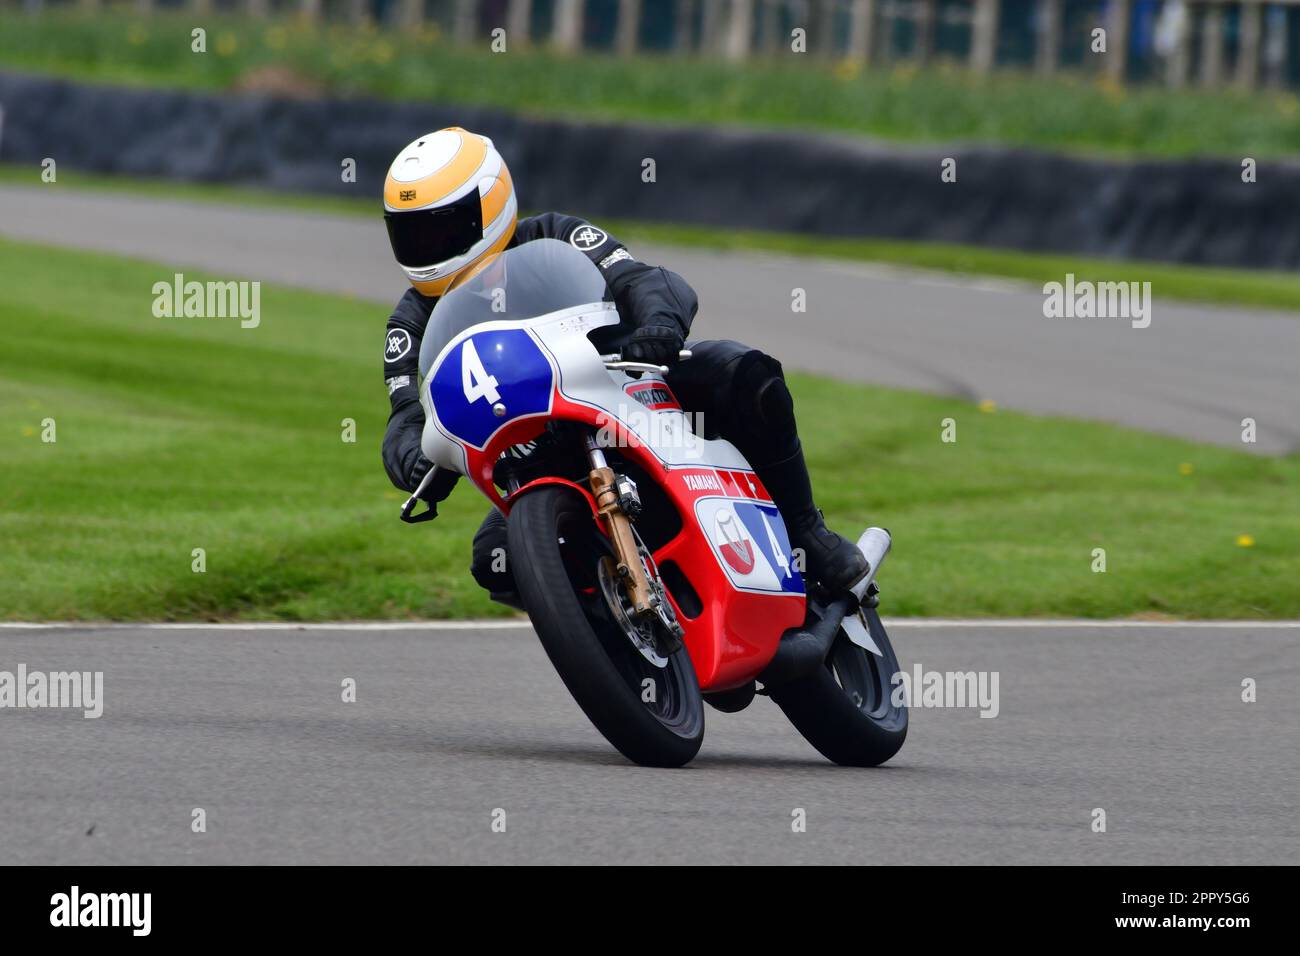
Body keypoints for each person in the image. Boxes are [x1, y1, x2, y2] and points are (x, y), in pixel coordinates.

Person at [380, 128, 867, 597]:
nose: (428, 248)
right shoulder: (410, 322)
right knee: (495, 559)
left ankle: (806, 531)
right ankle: (621, 640)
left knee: (743, 374)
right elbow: (404, 414)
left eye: (441, 229)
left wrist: (657, 325)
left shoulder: (555, 234)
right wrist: (413, 456)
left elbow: (641, 278)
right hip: (540, 459)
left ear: (490, 204)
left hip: (628, 394)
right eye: (412, 234)